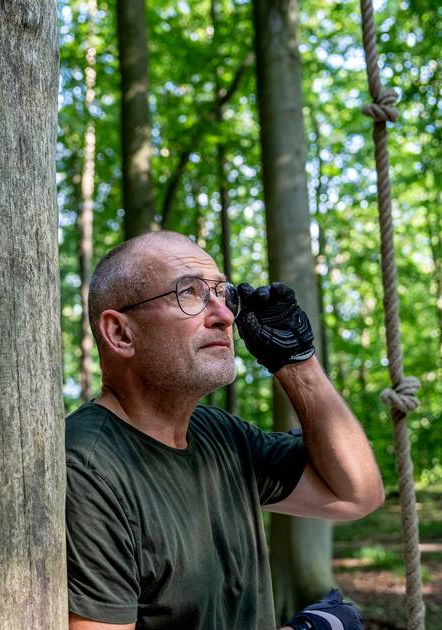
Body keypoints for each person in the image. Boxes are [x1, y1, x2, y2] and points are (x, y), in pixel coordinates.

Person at [65, 230, 384, 630]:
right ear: (120, 334)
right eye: (190, 294)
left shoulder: (221, 435)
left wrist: (296, 361)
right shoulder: (87, 470)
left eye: (222, 293)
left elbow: (357, 494)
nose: (225, 315)